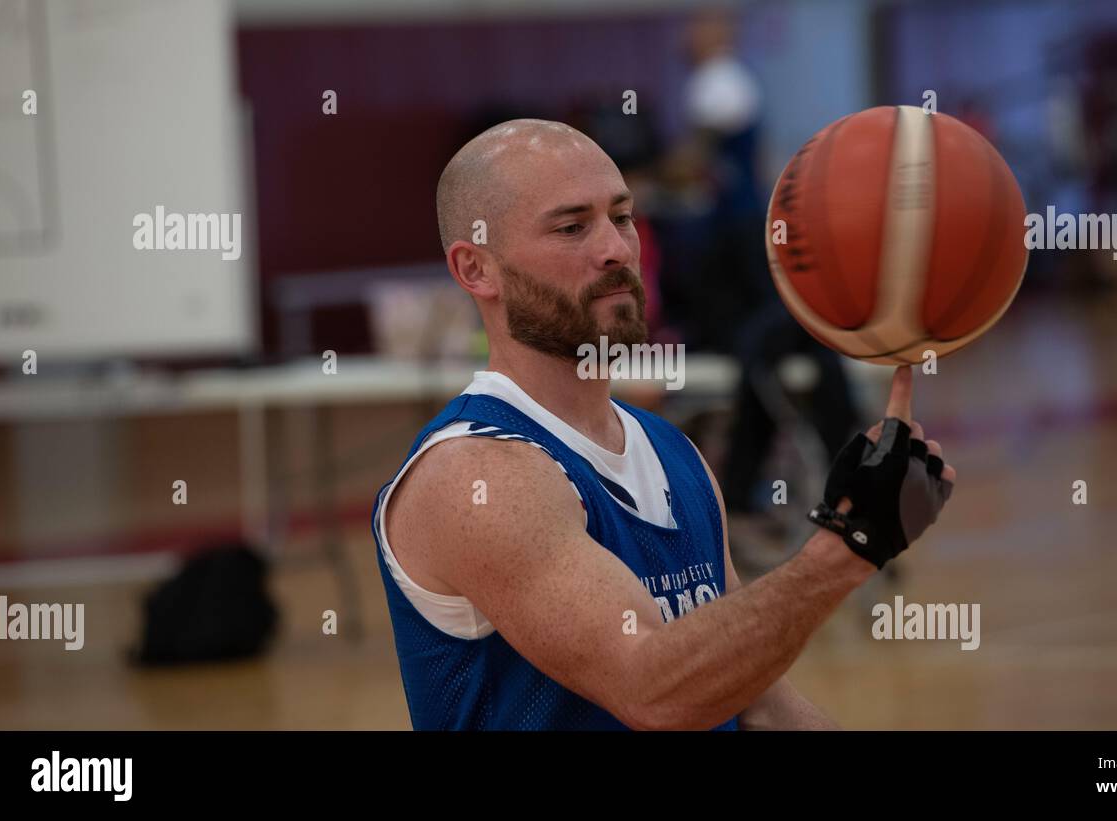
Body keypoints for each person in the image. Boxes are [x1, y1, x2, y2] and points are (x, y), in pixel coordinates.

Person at [370, 119, 956, 730]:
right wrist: (847, 545)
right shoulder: (477, 477)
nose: (617, 250)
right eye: (572, 227)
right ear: (475, 270)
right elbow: (651, 687)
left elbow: (753, 699)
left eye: (622, 218)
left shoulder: (671, 451)